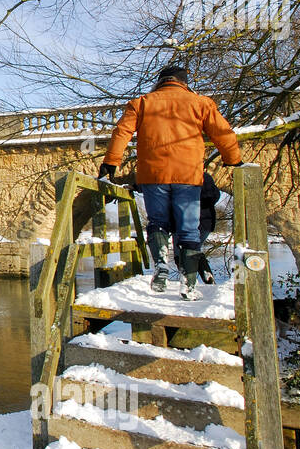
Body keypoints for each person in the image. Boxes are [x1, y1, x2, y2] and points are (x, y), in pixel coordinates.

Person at [98, 65, 242, 299]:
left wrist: (111, 163)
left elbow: (121, 132)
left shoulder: (141, 103)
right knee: (189, 230)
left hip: (153, 175)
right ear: (184, 83)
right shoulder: (201, 103)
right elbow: (223, 133)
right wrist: (233, 160)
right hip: (188, 175)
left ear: (160, 81)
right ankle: (189, 283)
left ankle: (161, 266)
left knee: (158, 222)